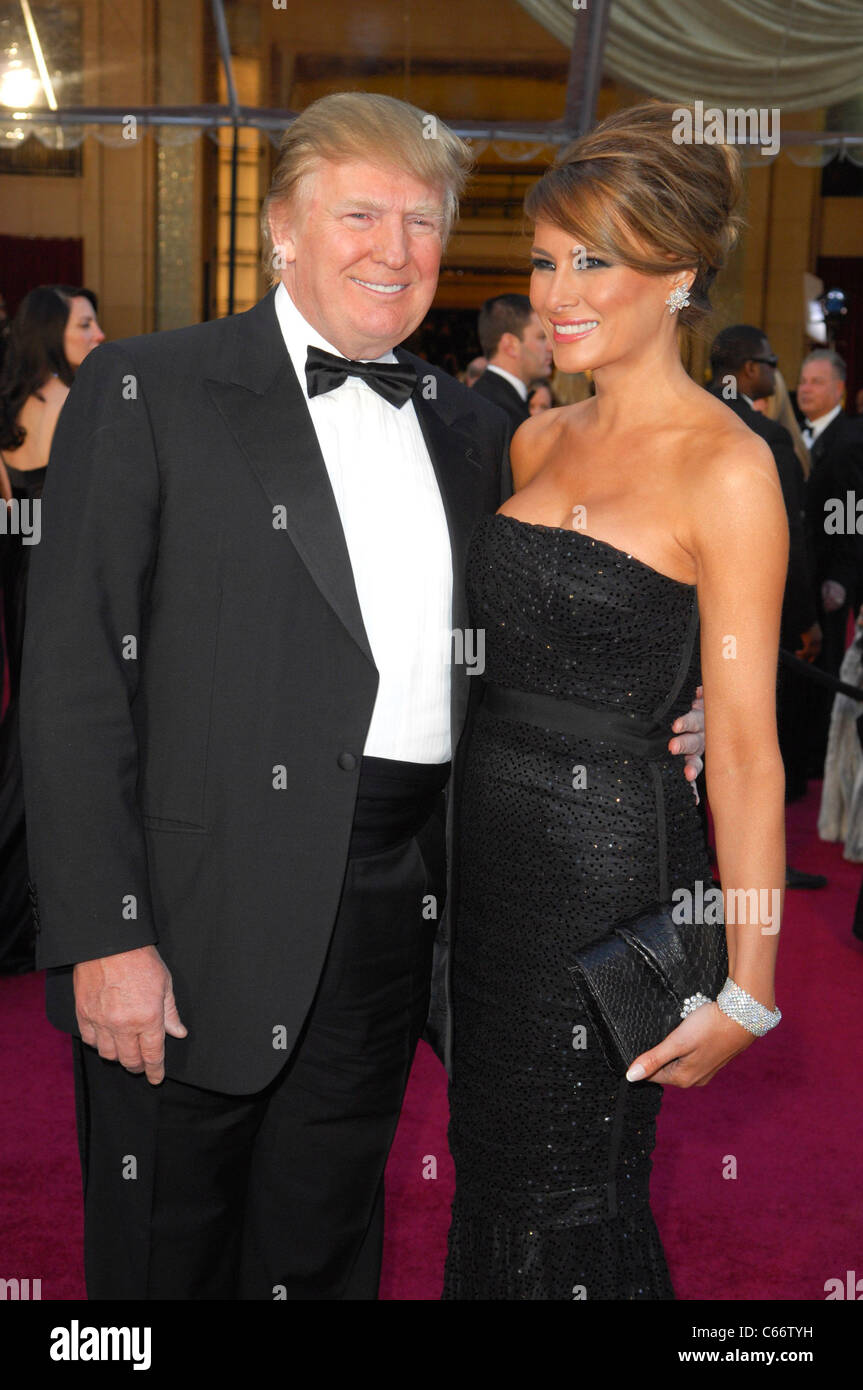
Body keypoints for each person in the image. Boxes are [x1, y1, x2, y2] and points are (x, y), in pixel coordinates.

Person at [19, 91, 706, 1303]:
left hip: (396, 907)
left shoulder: (460, 423)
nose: (394, 251)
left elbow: (516, 638)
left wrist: (653, 704)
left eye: (423, 222)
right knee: (163, 1256)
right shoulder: (148, 388)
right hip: (190, 913)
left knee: (325, 1239)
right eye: (359, 215)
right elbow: (73, 685)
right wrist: (106, 932)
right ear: (281, 229)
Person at [443, 101, 786, 1301]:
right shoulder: (536, 441)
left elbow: (742, 751)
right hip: (480, 872)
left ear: (678, 273)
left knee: (567, 1199)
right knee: (490, 1183)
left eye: (594, 259)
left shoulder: (728, 469)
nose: (556, 292)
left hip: (605, 890)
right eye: (544, 260)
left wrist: (749, 981)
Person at [0, 285, 104, 976]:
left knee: (26, 732)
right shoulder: (79, 406)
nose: (99, 334)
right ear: (52, 334)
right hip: (67, 591)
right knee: (63, 744)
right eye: (85, 325)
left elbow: (9, 524)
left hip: (20, 588)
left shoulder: (8, 413)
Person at [707, 325, 824, 851]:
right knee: (754, 742)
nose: (781, 373)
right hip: (751, 617)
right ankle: (755, 864)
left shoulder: (685, 419)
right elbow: (787, 539)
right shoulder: (765, 435)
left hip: (683, 611)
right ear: (751, 369)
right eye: (773, 361)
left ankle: (695, 859)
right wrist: (802, 618)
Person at [797, 349, 863, 774]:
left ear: (839, 389)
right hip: (799, 578)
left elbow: (853, 512)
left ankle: (820, 758)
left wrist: (842, 578)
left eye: (817, 381)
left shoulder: (851, 439)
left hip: (827, 581)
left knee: (826, 670)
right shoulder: (792, 432)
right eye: (802, 380)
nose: (805, 388)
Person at [471, 293, 552, 428]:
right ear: (510, 345)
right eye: (541, 337)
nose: (550, 347)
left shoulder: (489, 401)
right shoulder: (496, 413)